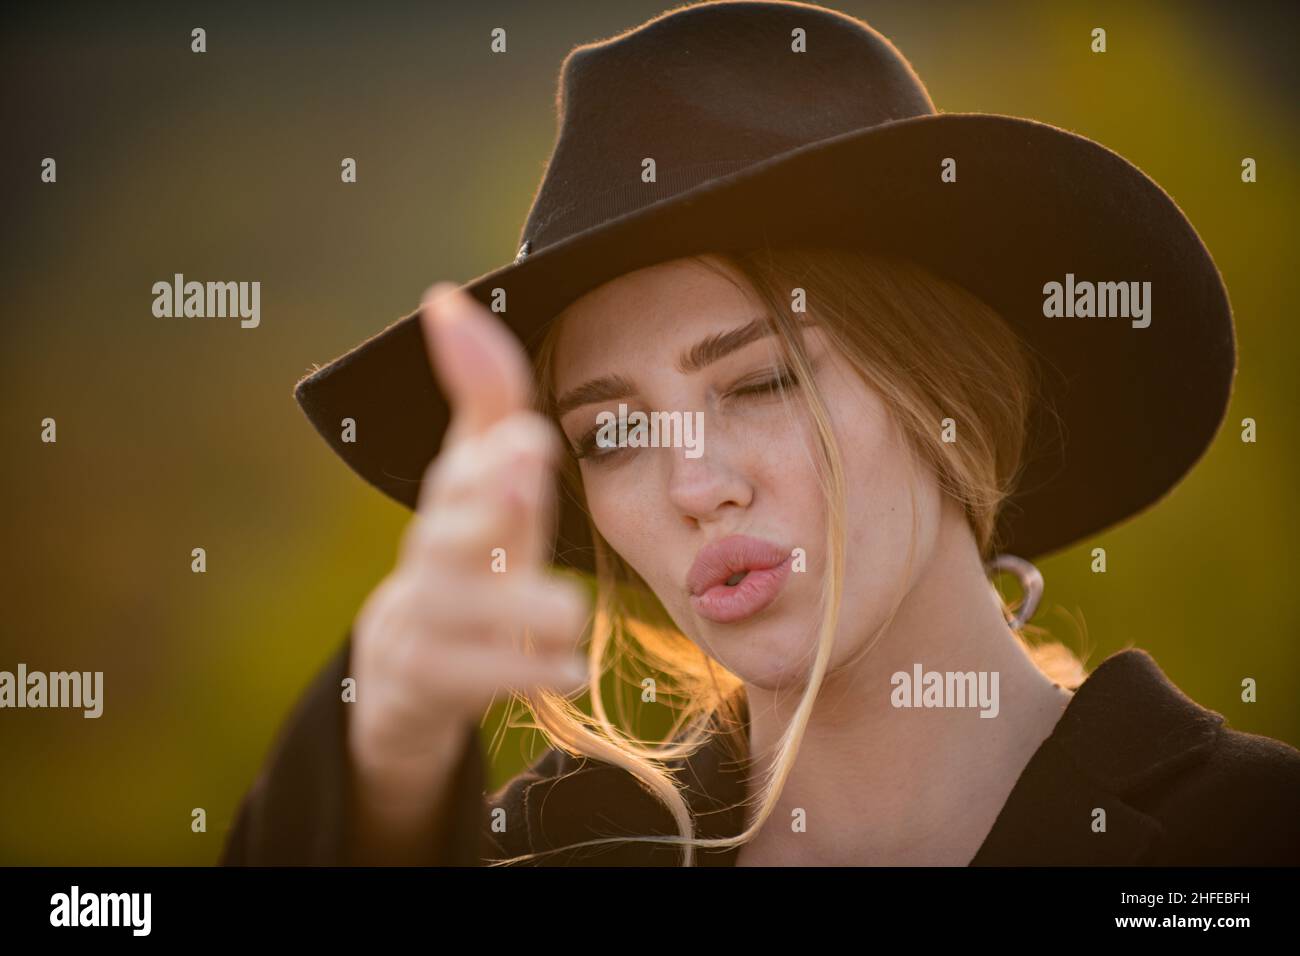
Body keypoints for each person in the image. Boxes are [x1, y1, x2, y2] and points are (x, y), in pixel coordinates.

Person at [221, 1, 1300, 867]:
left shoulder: (1247, 832)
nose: (695, 484)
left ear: (947, 395)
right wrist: (390, 755)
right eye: (611, 432)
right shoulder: (555, 848)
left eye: (761, 379)